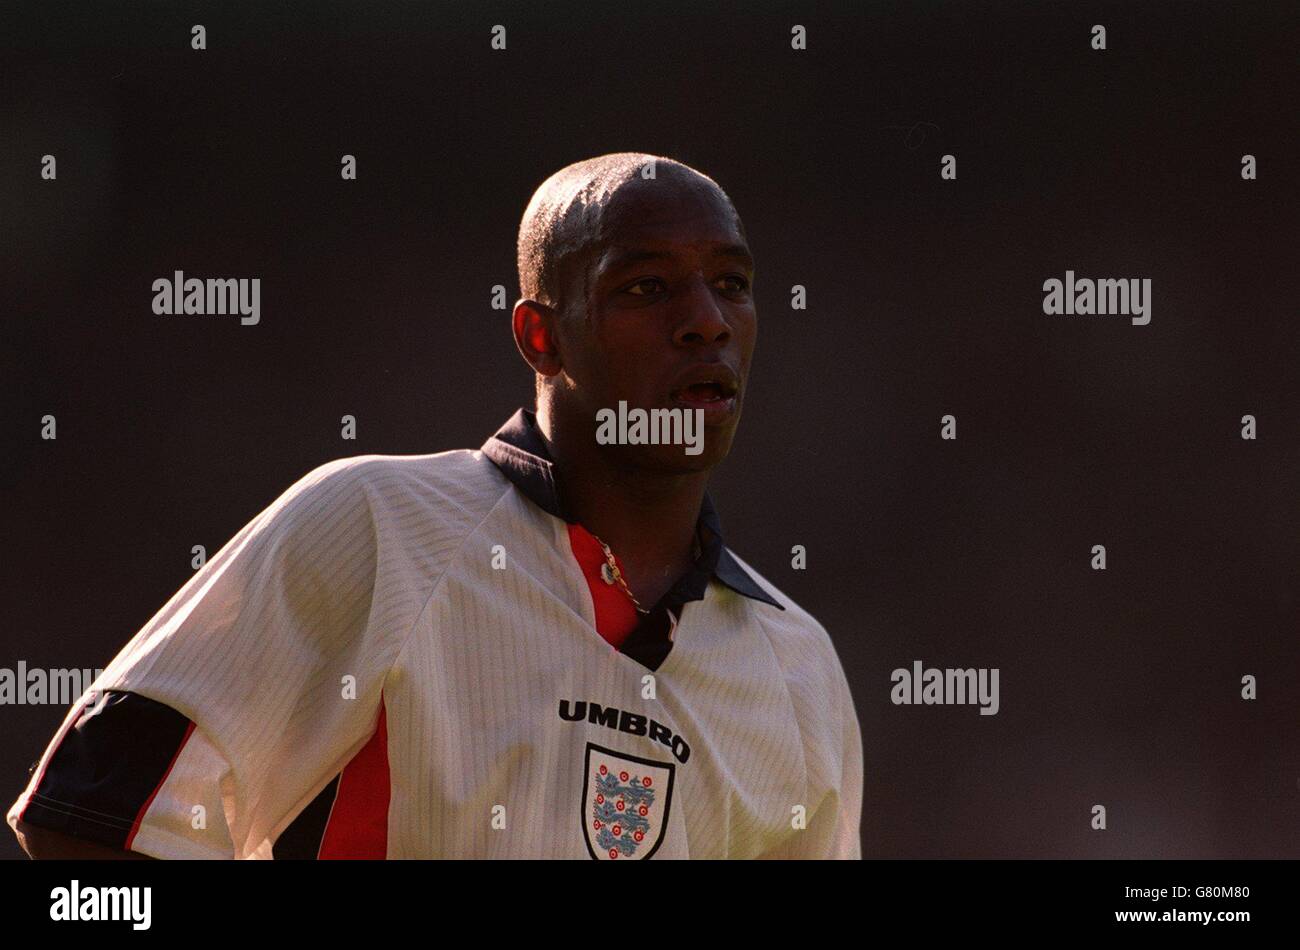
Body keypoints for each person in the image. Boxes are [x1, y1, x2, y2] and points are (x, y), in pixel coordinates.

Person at [9, 152, 862, 859]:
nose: (706, 321)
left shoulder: (799, 670)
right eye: (646, 288)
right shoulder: (379, 525)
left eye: (732, 284)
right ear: (542, 336)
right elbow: (88, 824)